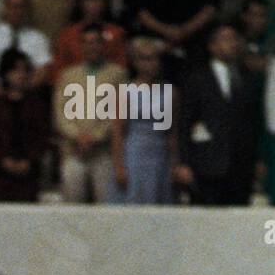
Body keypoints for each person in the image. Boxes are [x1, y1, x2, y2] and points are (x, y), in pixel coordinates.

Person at [174, 22, 262, 207]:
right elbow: (185, 123)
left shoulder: (249, 78)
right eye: (225, 39)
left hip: (240, 167)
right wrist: (183, 162)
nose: (232, 44)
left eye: (234, 39)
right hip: (206, 164)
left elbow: (254, 123)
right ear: (212, 46)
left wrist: (257, 159)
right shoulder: (197, 78)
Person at [53, 23, 124, 203]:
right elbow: (61, 112)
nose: (90, 46)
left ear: (102, 45)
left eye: (95, 42)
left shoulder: (117, 74)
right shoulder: (68, 75)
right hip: (73, 150)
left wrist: (96, 136)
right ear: (81, 45)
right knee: (71, 206)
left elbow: (117, 112)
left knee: (105, 207)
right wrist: (77, 136)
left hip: (103, 152)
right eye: (86, 42)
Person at [107, 38, 176, 205]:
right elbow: (117, 132)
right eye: (144, 58)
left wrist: (175, 163)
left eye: (153, 58)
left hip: (160, 155)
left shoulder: (170, 92)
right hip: (134, 154)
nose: (149, 64)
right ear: (135, 62)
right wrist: (118, 166)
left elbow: (172, 133)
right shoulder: (125, 92)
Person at [0, 48, 49, 203]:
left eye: (25, 70)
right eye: (16, 70)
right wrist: (3, 159)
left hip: (29, 172)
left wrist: (29, 160)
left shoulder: (37, 106)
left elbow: (42, 137)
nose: (21, 74)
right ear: (6, 73)